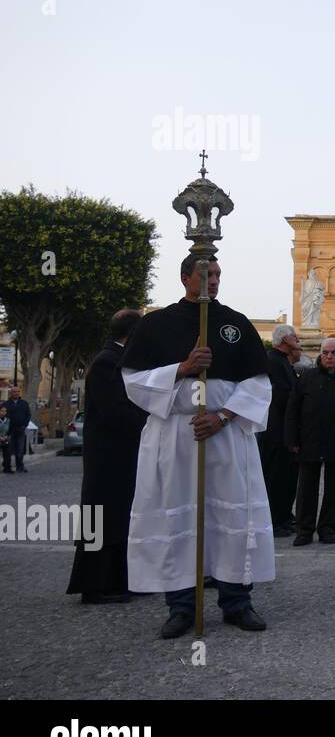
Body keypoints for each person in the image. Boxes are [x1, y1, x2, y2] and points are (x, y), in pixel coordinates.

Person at [120, 256, 273, 638]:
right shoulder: (156, 324)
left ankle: (237, 601)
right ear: (185, 277)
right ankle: (181, 606)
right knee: (178, 519)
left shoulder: (236, 323)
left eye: (218, 274)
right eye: (206, 274)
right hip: (176, 434)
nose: (213, 280)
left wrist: (222, 416)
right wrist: (183, 368)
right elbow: (133, 381)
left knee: (232, 518)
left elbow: (258, 384)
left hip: (225, 435)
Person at [66, 309, 148, 603]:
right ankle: (93, 586)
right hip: (107, 457)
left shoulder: (118, 359)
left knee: (118, 518)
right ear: (133, 334)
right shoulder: (107, 362)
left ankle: (116, 581)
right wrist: (151, 424)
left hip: (119, 455)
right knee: (101, 518)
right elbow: (115, 410)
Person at [284, 337, 335, 546]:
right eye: (325, 352)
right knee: (306, 488)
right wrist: (292, 438)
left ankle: (328, 529)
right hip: (309, 440)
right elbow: (292, 410)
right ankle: (304, 530)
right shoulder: (307, 377)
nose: (329, 356)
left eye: (334, 353)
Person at [258, 324, 301, 537]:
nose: (298, 340)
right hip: (275, 429)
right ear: (284, 340)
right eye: (295, 337)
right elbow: (281, 394)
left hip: (285, 428)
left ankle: (284, 515)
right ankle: (274, 520)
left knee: (286, 475)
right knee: (275, 476)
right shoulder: (273, 361)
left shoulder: (283, 361)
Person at [6, 388, 31, 473]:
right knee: (9, 449)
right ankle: (7, 467)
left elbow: (28, 415)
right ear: (11, 393)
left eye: (17, 392)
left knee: (20, 449)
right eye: (14, 392)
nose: (16, 393)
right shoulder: (6, 404)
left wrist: (25, 424)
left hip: (20, 429)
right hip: (9, 430)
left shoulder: (24, 403)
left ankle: (20, 466)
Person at [0, 404, 10, 474]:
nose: (3, 412)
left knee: (7, 454)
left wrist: (7, 436)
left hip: (5, 438)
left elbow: (10, 429)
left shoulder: (8, 420)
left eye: (5, 411)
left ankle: (7, 468)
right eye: (2, 411)